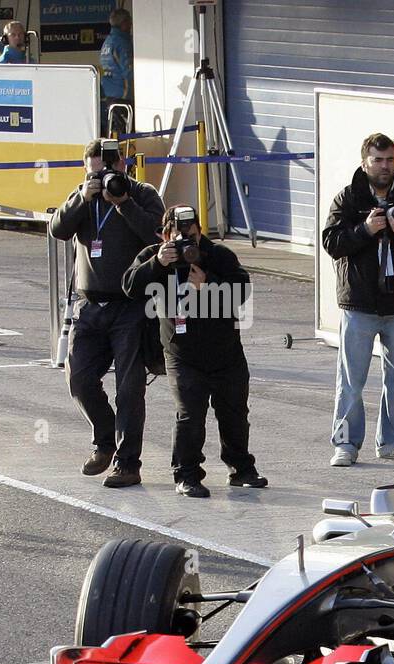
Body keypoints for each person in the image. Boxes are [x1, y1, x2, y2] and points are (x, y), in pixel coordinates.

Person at [122, 205, 266, 498]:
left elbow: (243, 290)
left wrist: (209, 284)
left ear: (200, 231)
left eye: (192, 235)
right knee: (189, 415)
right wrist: (158, 263)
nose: (187, 243)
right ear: (165, 235)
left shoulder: (218, 255)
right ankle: (186, 474)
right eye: (178, 236)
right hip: (181, 353)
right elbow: (129, 287)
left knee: (235, 413)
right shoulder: (155, 257)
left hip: (225, 351)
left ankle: (241, 469)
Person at [48, 138, 164, 488]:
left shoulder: (141, 193)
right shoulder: (82, 195)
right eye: (95, 174)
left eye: (109, 171)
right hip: (89, 305)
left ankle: (127, 464)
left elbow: (157, 235)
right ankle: (105, 439)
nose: (103, 180)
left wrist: (123, 202)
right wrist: (83, 197)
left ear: (123, 165)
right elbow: (58, 229)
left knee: (129, 388)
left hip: (130, 306)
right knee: (79, 379)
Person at [321, 132, 394, 467]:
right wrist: (365, 230)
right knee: (351, 380)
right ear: (365, 162)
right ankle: (346, 444)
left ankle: (391, 441)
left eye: (390, 159)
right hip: (359, 303)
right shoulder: (348, 198)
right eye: (378, 160)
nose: (384, 166)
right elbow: (331, 242)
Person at [99, 9, 134, 132]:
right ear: (123, 23)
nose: (131, 24)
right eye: (129, 21)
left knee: (115, 134)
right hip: (123, 95)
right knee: (127, 135)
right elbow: (129, 71)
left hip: (109, 95)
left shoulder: (107, 42)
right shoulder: (122, 43)